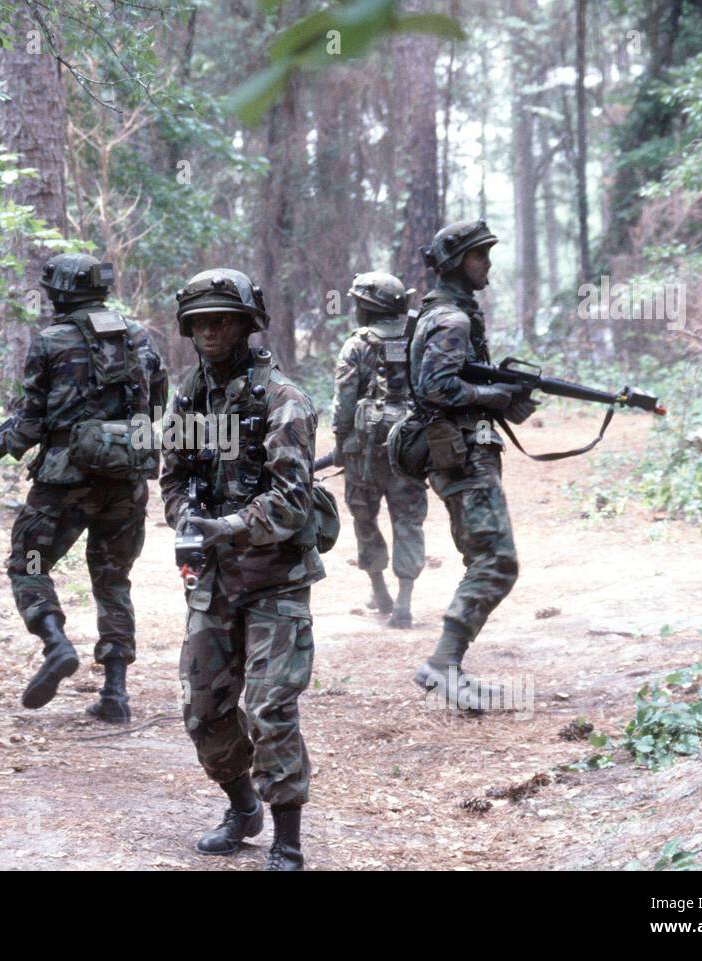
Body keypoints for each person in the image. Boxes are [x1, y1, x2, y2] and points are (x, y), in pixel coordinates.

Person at [161, 268, 323, 871]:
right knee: (203, 709)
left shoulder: (284, 400)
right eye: (199, 322)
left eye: (221, 320)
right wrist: (189, 521)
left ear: (246, 324)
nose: (209, 331)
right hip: (214, 581)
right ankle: (241, 807)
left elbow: (292, 499)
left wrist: (226, 528)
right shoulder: (189, 396)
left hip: (275, 580)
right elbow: (172, 477)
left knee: (270, 706)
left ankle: (287, 839)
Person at [0, 253, 167, 722]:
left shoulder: (51, 341)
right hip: (126, 483)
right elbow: (157, 404)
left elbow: (27, 425)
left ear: (58, 292)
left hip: (62, 485)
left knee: (28, 564)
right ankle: (115, 693)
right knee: (113, 581)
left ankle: (56, 645)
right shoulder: (139, 337)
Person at [407, 221, 536, 708]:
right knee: (495, 561)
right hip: (459, 455)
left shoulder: (449, 314)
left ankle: (448, 664)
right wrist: (492, 396)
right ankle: (442, 664)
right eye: (480, 256)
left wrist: (502, 400)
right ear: (459, 261)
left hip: (462, 450)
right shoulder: (451, 320)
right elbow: (435, 388)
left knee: (485, 557)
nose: (488, 264)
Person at [330, 271, 428, 628]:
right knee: (408, 520)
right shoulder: (417, 338)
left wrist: (341, 443)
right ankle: (403, 601)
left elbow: (344, 401)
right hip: (409, 447)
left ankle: (380, 591)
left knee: (365, 517)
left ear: (368, 308)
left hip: (364, 452)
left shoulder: (356, 345)